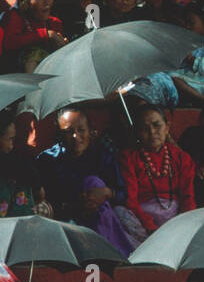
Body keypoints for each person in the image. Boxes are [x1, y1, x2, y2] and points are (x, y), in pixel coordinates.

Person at [37, 107, 144, 255]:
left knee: (94, 183)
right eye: (69, 131)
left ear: (91, 132)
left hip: (102, 216)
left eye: (81, 130)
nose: (75, 136)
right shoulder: (48, 160)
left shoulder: (102, 156)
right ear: (60, 134)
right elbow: (45, 199)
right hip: (67, 218)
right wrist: (76, 205)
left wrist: (106, 193)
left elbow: (122, 194)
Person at [118, 103, 197, 234]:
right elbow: (131, 200)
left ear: (167, 127)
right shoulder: (128, 158)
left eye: (157, 125)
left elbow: (187, 197)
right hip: (142, 218)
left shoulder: (182, 157)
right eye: (145, 128)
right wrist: (150, 227)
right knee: (120, 213)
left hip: (174, 216)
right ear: (137, 132)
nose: (152, 132)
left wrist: (185, 226)